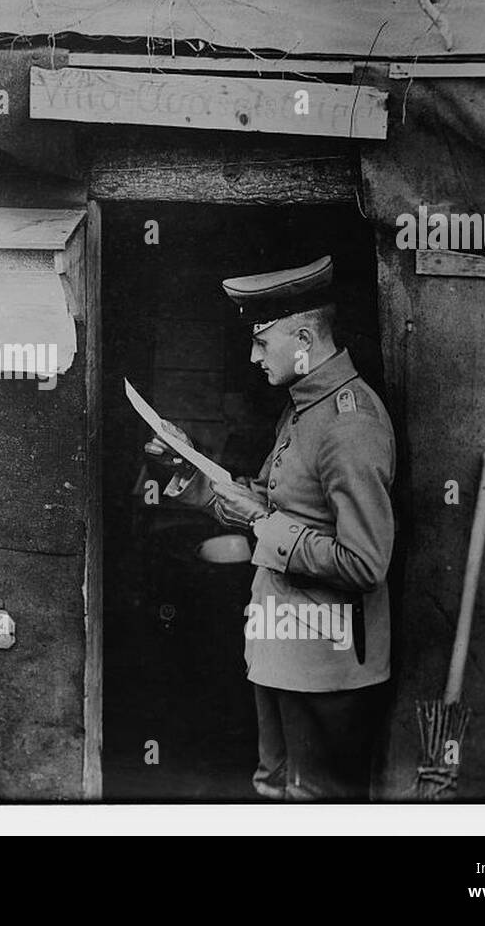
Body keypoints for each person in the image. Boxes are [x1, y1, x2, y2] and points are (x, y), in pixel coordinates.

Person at [145, 254, 396, 800]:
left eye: (261, 341)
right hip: (282, 651)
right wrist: (188, 467)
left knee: (312, 800)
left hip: (326, 665)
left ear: (303, 337)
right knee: (274, 788)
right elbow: (271, 500)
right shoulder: (307, 407)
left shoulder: (349, 423)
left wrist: (260, 521)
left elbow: (365, 562)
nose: (252, 355)